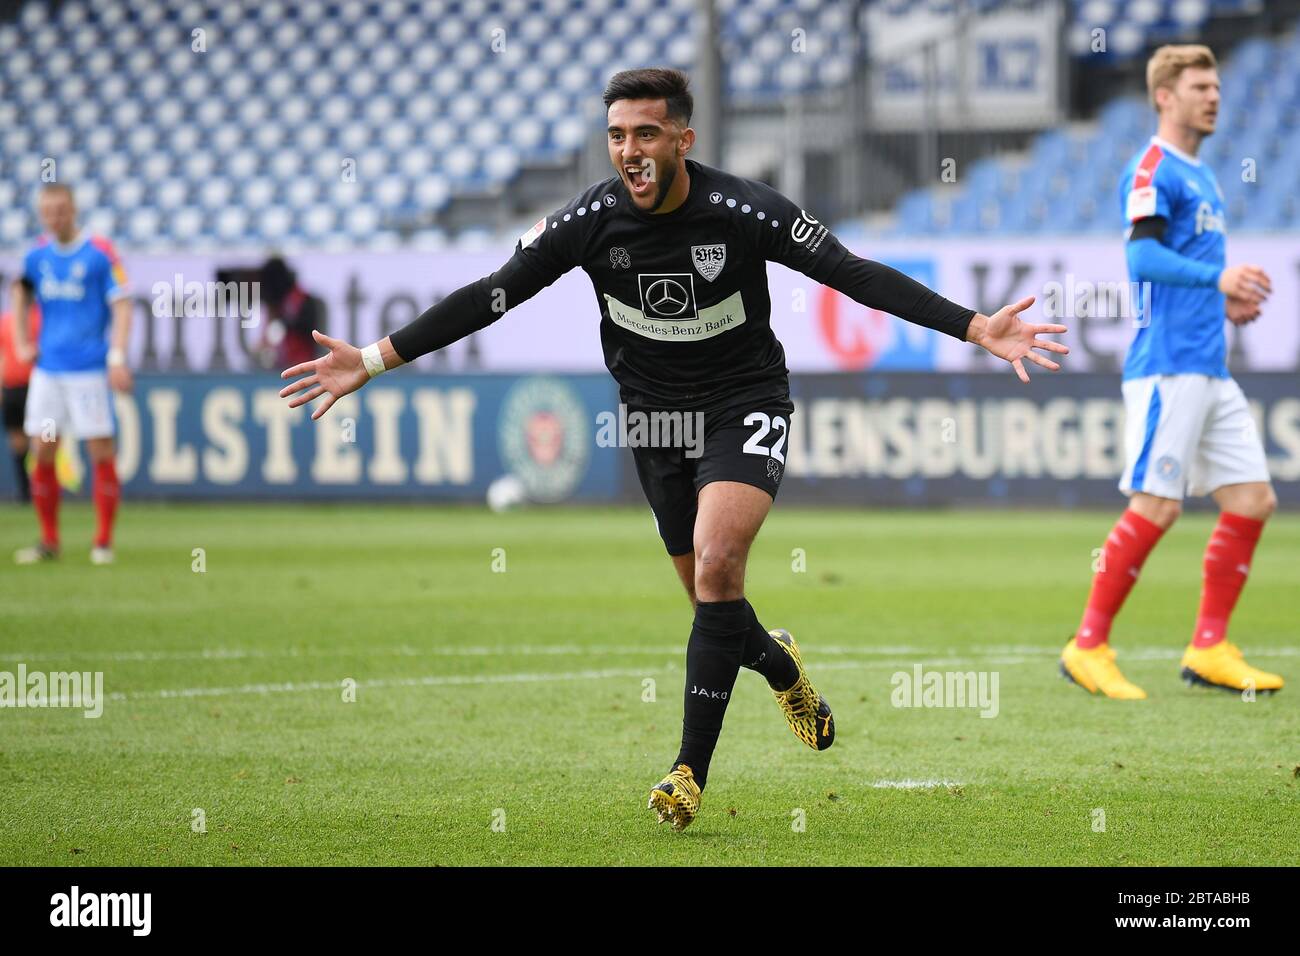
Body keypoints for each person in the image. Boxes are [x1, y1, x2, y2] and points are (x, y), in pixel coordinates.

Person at [279, 68, 1067, 830]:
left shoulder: (743, 210)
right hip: (654, 422)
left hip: (742, 402)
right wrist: (374, 359)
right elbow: (493, 295)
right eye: (617, 135)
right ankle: (779, 664)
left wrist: (974, 327)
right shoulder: (588, 221)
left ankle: (688, 773)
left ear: (683, 139)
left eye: (647, 133)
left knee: (719, 564)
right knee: (712, 607)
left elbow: (851, 274)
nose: (630, 150)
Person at [1061, 45, 1281, 699]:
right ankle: (1088, 645)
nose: (1214, 96)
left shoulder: (1205, 176)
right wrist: (1217, 277)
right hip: (1168, 369)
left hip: (1209, 367)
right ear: (1165, 95)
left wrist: (1224, 297)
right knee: (1156, 506)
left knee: (1253, 499)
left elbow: (1182, 268)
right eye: (1200, 86)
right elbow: (1142, 260)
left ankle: (1209, 646)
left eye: (1217, 86)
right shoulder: (1155, 168)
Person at [10, 183, 133, 565]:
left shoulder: (99, 253)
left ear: (74, 209)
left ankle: (103, 541)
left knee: (99, 450)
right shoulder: (36, 257)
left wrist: (116, 357)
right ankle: (49, 540)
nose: (55, 216)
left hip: (88, 373)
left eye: (61, 209)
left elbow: (123, 304)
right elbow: (20, 294)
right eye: (48, 210)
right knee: (42, 449)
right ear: (41, 213)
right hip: (48, 373)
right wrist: (22, 341)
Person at [0, 281, 41, 502]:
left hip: (38, 387)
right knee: (17, 440)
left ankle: (45, 486)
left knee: (45, 437)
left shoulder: (42, 318)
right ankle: (25, 490)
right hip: (12, 388)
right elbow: (2, 356)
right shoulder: (6, 322)